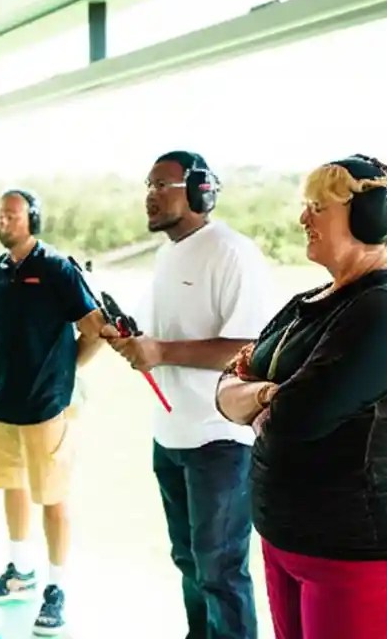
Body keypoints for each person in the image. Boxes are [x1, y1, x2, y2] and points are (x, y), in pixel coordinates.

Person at [217, 155, 387, 639]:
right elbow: (225, 387)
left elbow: (298, 417)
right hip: (288, 540)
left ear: (369, 217)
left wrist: (263, 397)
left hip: (358, 554)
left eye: (318, 206)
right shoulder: (310, 304)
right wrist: (268, 394)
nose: (303, 219)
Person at [100, 151, 271, 639]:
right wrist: (122, 335)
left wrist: (161, 350)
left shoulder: (232, 252)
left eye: (162, 185)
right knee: (190, 563)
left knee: (220, 570)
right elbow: (151, 332)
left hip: (219, 439)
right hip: (171, 435)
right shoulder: (166, 254)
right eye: (148, 186)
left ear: (201, 191)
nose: (150, 195)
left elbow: (250, 349)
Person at [0, 189, 107, 636]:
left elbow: (95, 330)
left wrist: (64, 374)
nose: (4, 221)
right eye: (1, 215)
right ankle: (18, 571)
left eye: (12, 215)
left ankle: (56, 588)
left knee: (53, 496)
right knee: (9, 485)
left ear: (32, 219)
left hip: (46, 406)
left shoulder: (57, 269)